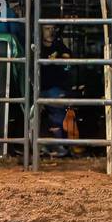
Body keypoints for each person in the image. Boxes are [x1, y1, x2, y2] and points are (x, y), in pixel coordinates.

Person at [37, 23, 75, 157]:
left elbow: (67, 57)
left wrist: (58, 59)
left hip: (55, 88)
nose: (51, 32)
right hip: (37, 88)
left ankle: (60, 149)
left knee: (57, 117)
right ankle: (42, 147)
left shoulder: (58, 45)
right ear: (40, 30)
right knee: (34, 117)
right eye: (47, 28)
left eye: (53, 29)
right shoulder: (36, 45)